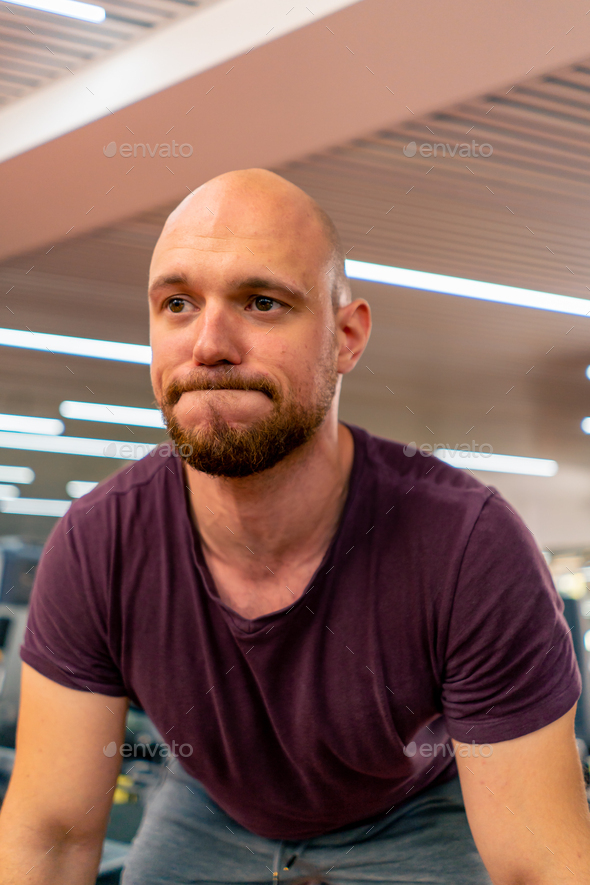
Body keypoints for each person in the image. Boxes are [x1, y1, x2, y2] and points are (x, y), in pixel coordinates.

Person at [0, 168, 588, 885]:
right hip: (209, 807)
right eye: (178, 302)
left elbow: (540, 867)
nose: (208, 343)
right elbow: (52, 837)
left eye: (262, 301)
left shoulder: (468, 548)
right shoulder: (99, 544)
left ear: (346, 337)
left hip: (409, 809)